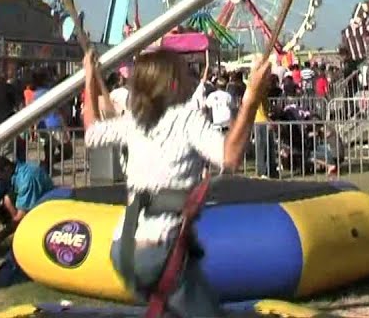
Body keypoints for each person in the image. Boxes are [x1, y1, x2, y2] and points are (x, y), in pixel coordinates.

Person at [81, 48, 270, 316]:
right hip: (159, 252)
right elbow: (229, 157)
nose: (190, 79)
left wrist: (89, 78)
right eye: (184, 74)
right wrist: (251, 99)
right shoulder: (186, 119)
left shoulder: (134, 121)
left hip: (122, 251)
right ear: (172, 83)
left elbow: (91, 132)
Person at [0, 153, 53, 230]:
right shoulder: (11, 173)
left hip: (45, 209)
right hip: (31, 201)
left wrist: (1, 237)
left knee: (7, 200)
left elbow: (20, 216)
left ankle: (17, 232)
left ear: (7, 169)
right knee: (5, 200)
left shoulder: (26, 180)